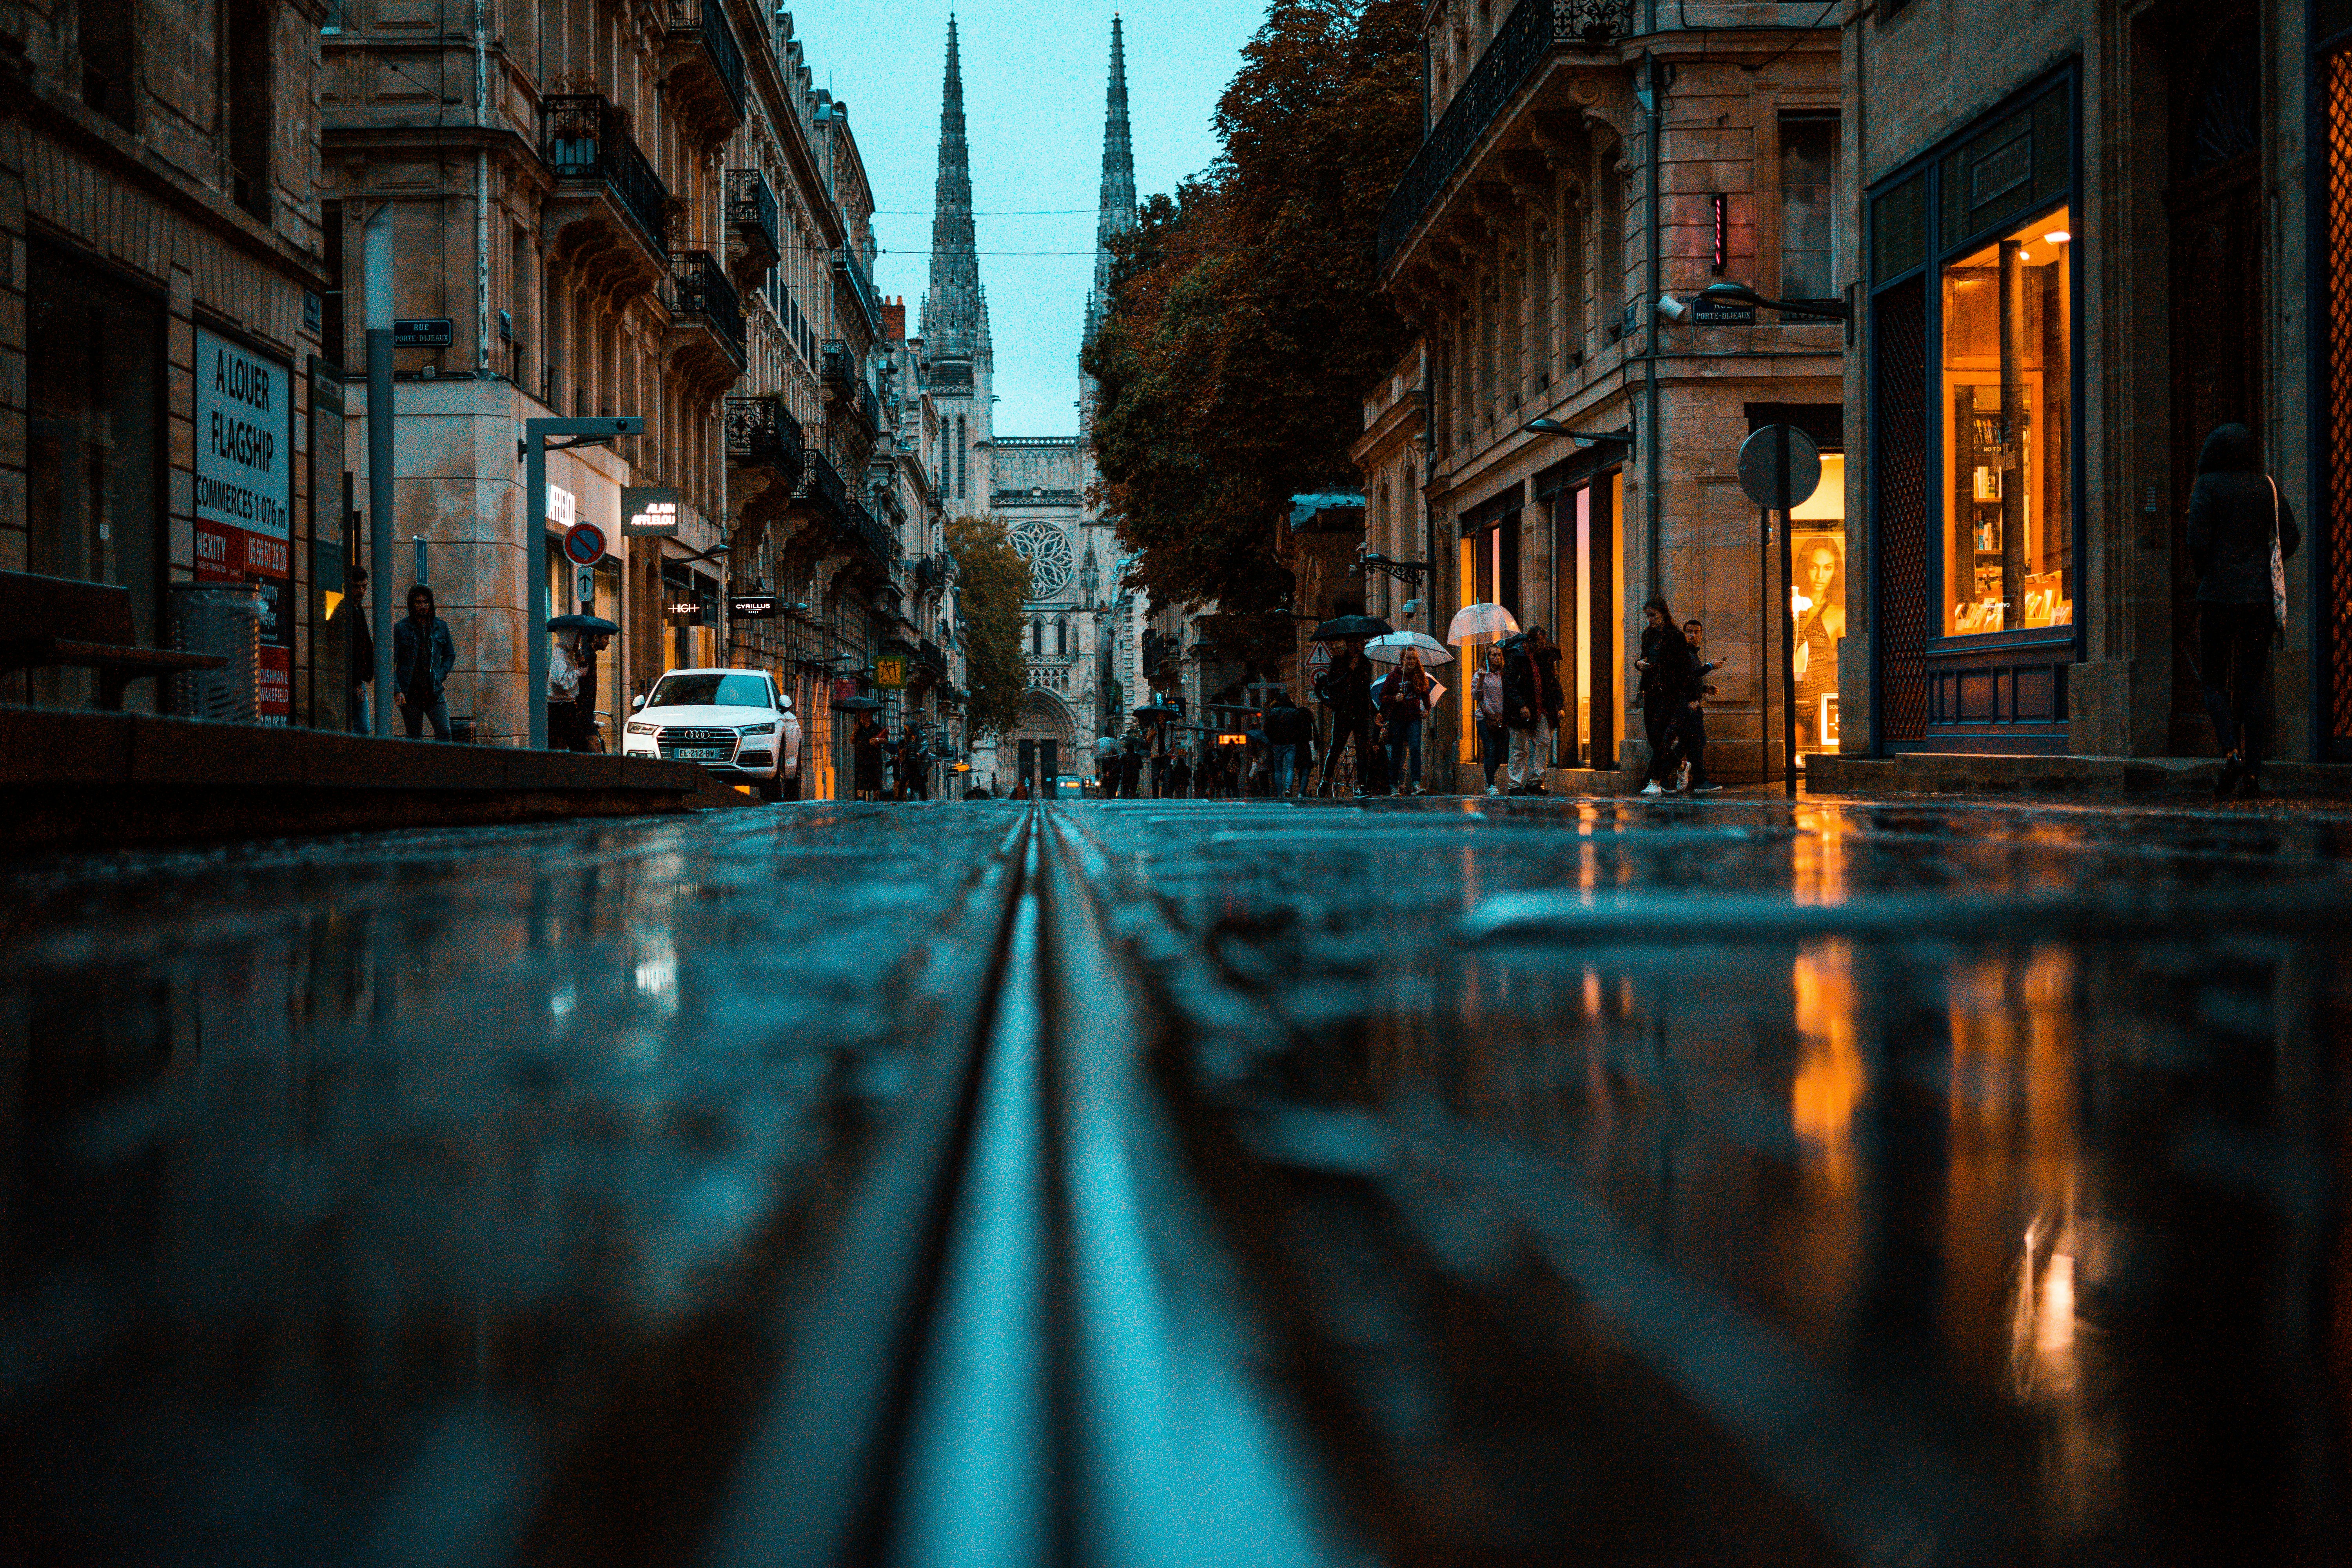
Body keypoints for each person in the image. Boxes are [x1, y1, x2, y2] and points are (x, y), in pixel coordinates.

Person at [2189, 422, 2300, 798]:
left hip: (2218, 597)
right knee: (2253, 683)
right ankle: (2253, 773)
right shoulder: (2264, 485)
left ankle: (2230, 752)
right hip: (2258, 599)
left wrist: (2207, 573)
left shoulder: (2207, 486)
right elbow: (2292, 534)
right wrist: (2264, 565)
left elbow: (2197, 543)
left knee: (2214, 680)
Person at [1633, 596, 1696, 795]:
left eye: (1653, 615)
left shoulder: (1675, 636)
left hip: (1669, 692)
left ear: (1663, 614)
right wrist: (1638, 664)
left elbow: (1685, 668)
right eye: (1648, 616)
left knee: (1662, 737)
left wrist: (1691, 696)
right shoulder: (1648, 635)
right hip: (1651, 690)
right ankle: (1681, 766)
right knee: (1654, 737)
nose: (1650, 620)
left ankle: (1655, 781)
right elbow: (1643, 657)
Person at [1792, 540, 1844, 753]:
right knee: (1788, 758)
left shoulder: (1838, 613)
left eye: (1828, 568)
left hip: (1824, 696)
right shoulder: (1793, 606)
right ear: (1806, 568)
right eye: (1814, 566)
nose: (1820, 575)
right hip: (1794, 694)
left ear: (1835, 571)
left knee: (1830, 757)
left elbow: (1847, 662)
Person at [392, 584, 455, 740]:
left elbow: (450, 655)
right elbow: (391, 662)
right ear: (412, 604)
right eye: (419, 602)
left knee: (445, 733)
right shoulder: (401, 629)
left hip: (434, 690)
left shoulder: (440, 627)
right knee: (414, 737)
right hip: (411, 693)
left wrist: (440, 675)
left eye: (426, 602)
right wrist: (398, 690)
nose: (423, 606)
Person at [1500, 629, 1555, 794]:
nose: (1543, 645)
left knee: (1543, 740)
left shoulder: (1542, 657)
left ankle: (1535, 781)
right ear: (1531, 641)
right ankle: (1515, 783)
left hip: (1539, 707)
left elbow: (1549, 682)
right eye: (1540, 642)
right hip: (1520, 709)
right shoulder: (1516, 655)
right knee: (1519, 746)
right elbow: (1509, 684)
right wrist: (1521, 705)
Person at [1317, 642, 1375, 796]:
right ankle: (1326, 780)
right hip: (1343, 711)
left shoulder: (1366, 664)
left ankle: (1362, 784)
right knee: (1336, 747)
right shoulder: (1338, 662)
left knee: (1363, 749)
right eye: (1356, 644)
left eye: (1361, 644)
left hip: (1361, 710)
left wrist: (1373, 711)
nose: (1359, 647)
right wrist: (1350, 670)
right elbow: (1332, 684)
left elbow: (1365, 688)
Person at [1672, 619, 1723, 793]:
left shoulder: (1692, 653)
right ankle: (1660, 776)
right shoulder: (1683, 653)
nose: (1693, 635)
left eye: (1697, 632)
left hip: (1690, 704)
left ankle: (1661, 776)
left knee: (1690, 743)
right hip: (1687, 706)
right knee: (1695, 742)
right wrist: (1709, 666)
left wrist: (1704, 689)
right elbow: (1687, 678)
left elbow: (1690, 680)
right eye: (1689, 632)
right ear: (1684, 633)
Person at [1377, 649, 1435, 795]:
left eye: (1415, 659)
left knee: (1415, 748)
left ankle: (1416, 783)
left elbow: (1425, 694)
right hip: (1398, 719)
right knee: (1397, 751)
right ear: (1402, 660)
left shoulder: (1419, 675)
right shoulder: (1394, 677)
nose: (1412, 662)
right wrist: (1394, 698)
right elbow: (1383, 697)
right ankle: (1394, 784)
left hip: (1414, 718)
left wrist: (1427, 710)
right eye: (1409, 659)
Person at [334, 566, 373, 733]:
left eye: (364, 586)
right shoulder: (346, 611)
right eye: (357, 586)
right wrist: (356, 682)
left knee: (360, 728)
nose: (361, 591)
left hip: (355, 679)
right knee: (362, 729)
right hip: (350, 680)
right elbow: (350, 649)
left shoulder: (357, 610)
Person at [1473, 647, 1507, 796]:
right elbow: (1475, 696)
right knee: (1490, 749)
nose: (1497, 658)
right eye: (1494, 655)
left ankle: (1488, 777)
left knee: (1500, 754)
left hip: (1501, 718)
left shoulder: (1503, 675)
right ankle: (1491, 785)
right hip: (1484, 718)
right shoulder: (1480, 674)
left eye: (1499, 655)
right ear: (1487, 658)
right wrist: (1481, 680)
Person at [548, 630, 586, 751]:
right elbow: (560, 680)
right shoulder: (559, 655)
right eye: (577, 638)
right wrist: (579, 673)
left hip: (565, 705)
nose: (578, 642)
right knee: (577, 744)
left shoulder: (568, 655)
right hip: (560, 706)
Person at [851, 712, 886, 800]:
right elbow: (852, 741)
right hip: (862, 759)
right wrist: (855, 732)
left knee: (876, 782)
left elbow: (886, 740)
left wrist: (877, 740)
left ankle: (876, 800)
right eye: (862, 716)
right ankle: (860, 801)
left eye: (865, 716)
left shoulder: (876, 727)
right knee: (861, 781)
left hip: (875, 759)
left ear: (870, 717)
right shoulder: (859, 728)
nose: (863, 718)